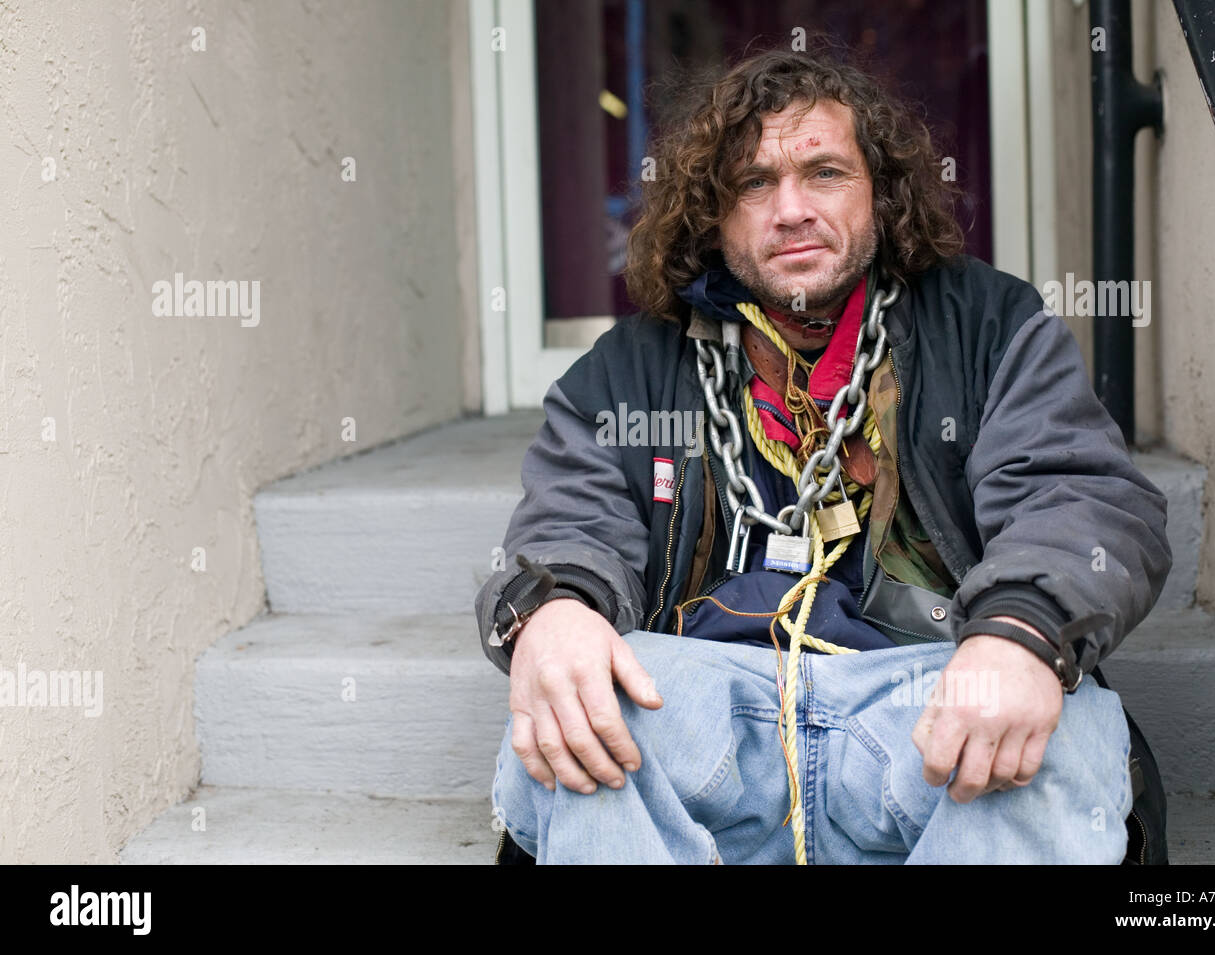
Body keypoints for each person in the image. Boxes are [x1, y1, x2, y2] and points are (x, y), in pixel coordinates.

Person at [475, 47, 1172, 864]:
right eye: (754, 183)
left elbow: (1080, 497)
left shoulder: (988, 328)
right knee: (573, 713)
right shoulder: (626, 372)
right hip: (709, 709)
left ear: (881, 191)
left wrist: (1020, 631)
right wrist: (552, 610)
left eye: (826, 172)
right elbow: (570, 520)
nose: (792, 208)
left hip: (925, 709)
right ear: (712, 213)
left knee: (1069, 726)